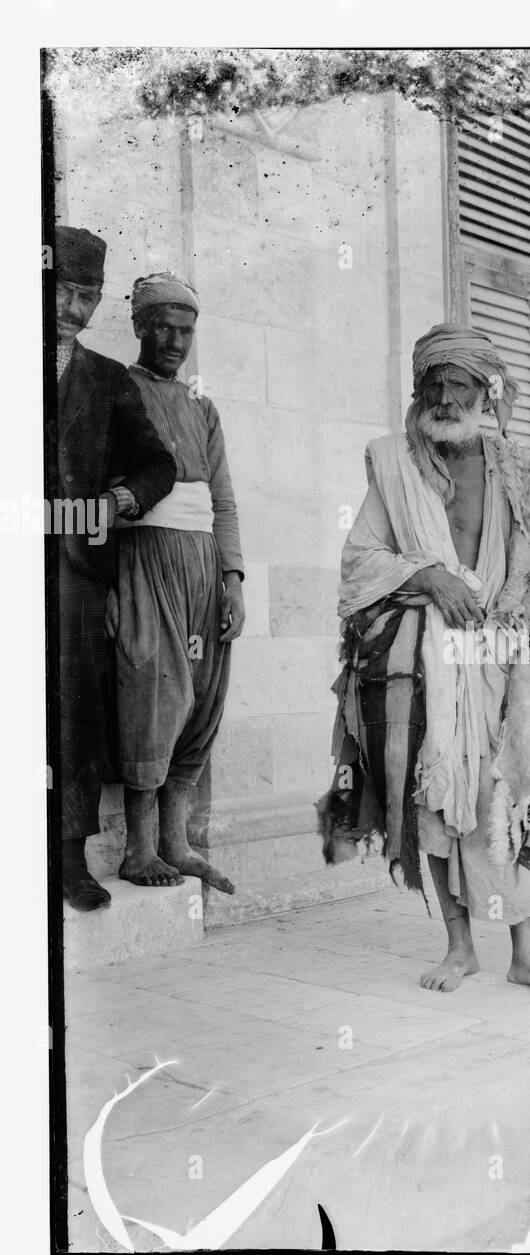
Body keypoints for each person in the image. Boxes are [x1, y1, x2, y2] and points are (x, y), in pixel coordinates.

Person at [321, 323, 530, 1000]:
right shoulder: (393, 465)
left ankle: (526, 952)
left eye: (459, 383)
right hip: (428, 659)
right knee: (436, 794)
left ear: (486, 391)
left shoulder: (517, 469)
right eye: (433, 383)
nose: (445, 397)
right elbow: (358, 563)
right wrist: (429, 575)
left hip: (508, 651)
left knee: (513, 793)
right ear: (418, 391)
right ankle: (458, 948)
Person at [53, 227, 177, 911]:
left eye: (88, 297)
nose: (75, 309)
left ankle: (69, 860)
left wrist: (121, 498)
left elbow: (160, 463)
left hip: (73, 571)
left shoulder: (105, 380)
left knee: (73, 711)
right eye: (65, 292)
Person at [111, 271, 245, 893]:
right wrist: (109, 584)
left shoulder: (202, 406)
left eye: (184, 330)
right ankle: (138, 849)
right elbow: (101, 497)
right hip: (143, 559)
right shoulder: (116, 391)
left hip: (202, 567)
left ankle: (176, 841)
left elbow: (224, 502)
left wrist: (234, 579)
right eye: (161, 326)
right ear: (138, 325)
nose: (173, 340)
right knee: (152, 693)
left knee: (202, 697)